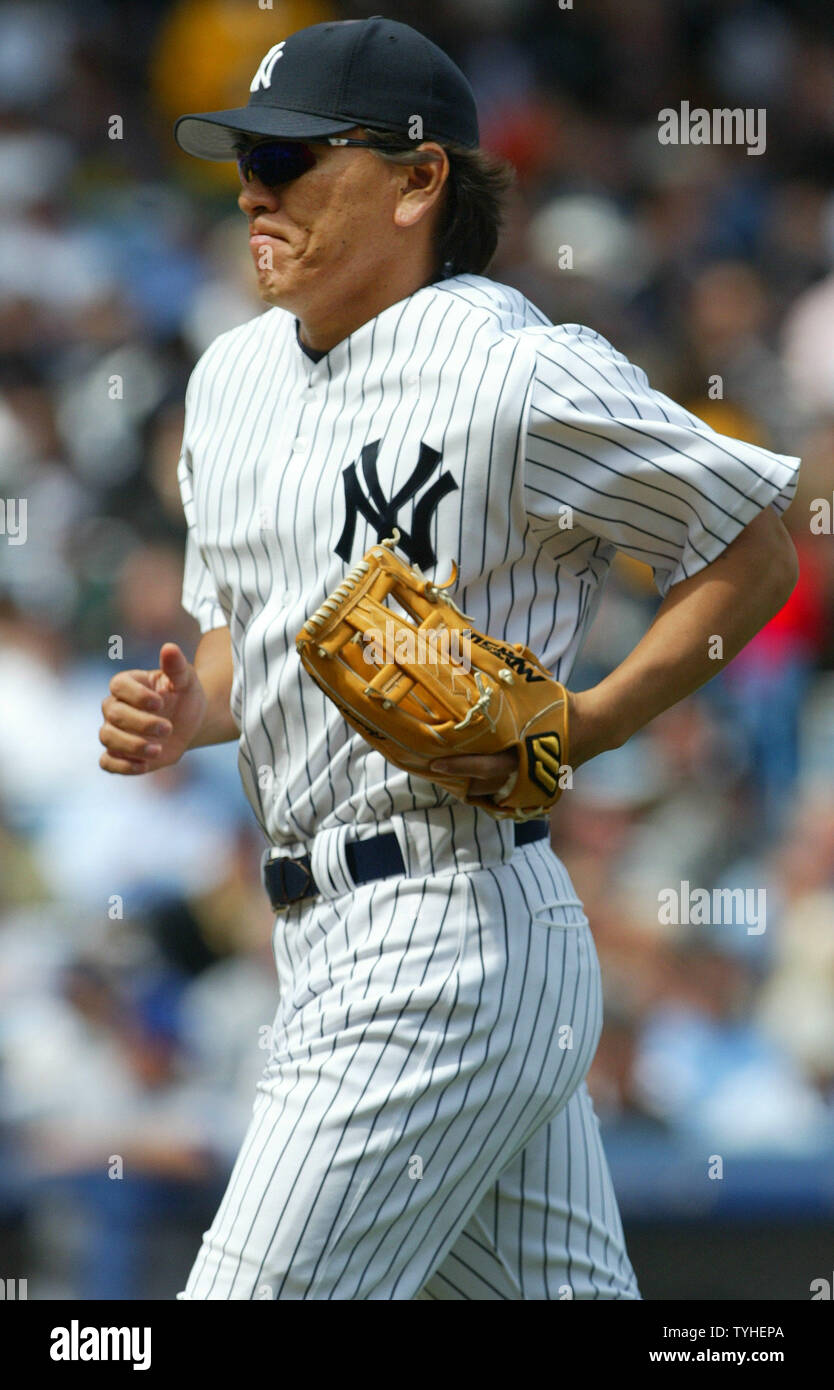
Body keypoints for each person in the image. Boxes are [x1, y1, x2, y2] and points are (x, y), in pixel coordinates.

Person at [98, 17, 800, 1299]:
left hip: (449, 926)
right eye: (247, 155)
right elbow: (249, 657)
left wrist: (589, 722)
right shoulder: (232, 379)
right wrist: (182, 707)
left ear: (421, 180)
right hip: (326, 936)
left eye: (296, 157)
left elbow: (754, 550)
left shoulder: (510, 370)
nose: (256, 184)